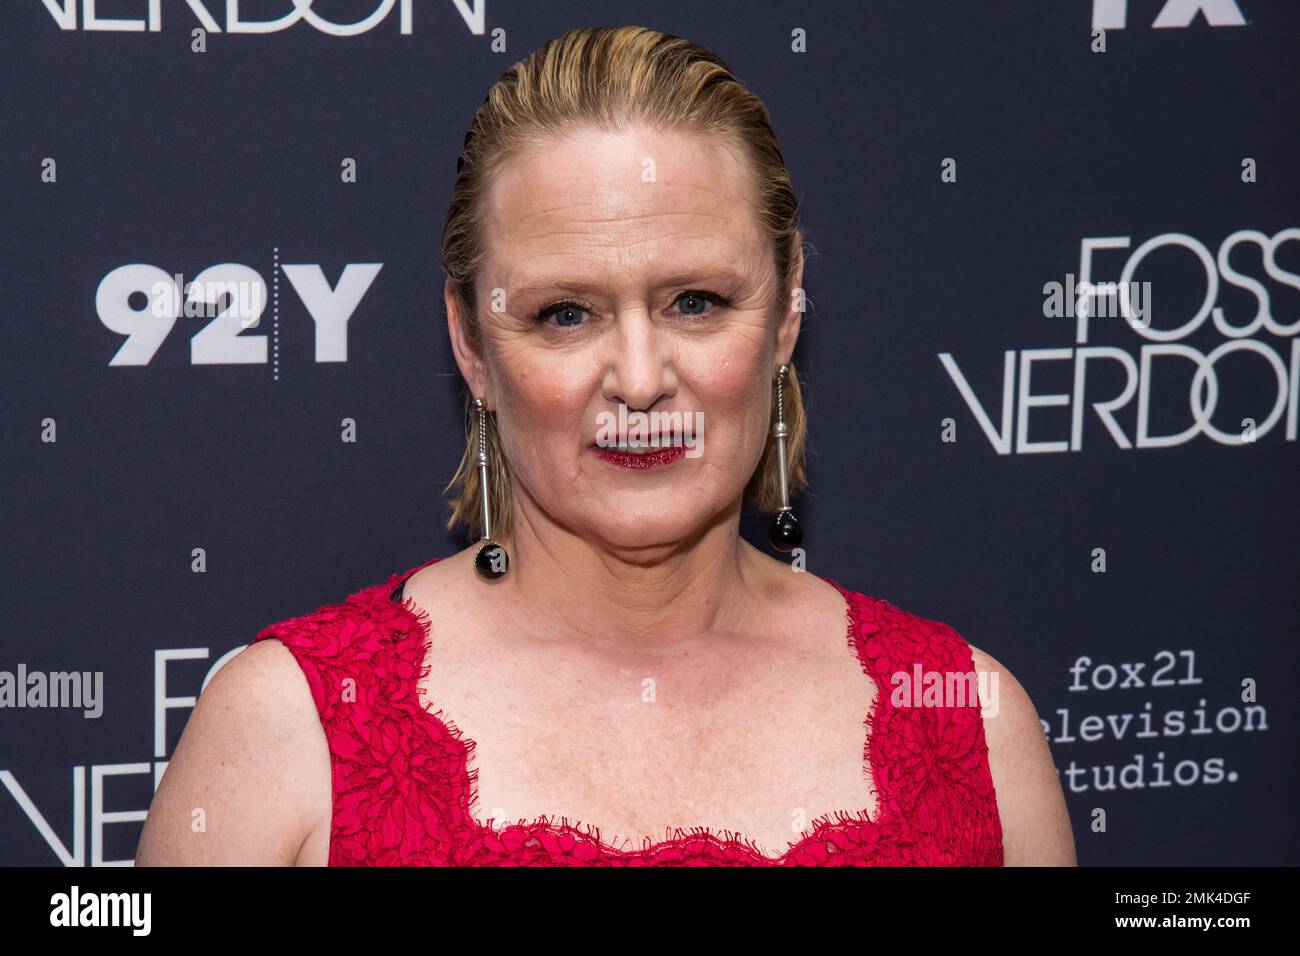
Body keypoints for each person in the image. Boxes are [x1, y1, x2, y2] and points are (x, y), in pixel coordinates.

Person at [135, 25, 1075, 867]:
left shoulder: (969, 722)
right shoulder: (288, 729)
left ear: (788, 313)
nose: (637, 377)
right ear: (471, 342)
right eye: (565, 314)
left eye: (696, 302)